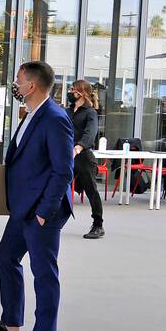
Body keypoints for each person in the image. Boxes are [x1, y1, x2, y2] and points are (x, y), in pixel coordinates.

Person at [0, 61, 75, 331]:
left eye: (18, 80)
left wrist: (45, 210)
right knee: (6, 256)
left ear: (31, 85)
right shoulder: (32, 114)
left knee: (44, 273)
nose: (15, 85)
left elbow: (63, 170)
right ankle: (12, 324)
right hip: (23, 207)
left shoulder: (55, 118)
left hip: (43, 210)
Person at [69, 79, 104, 240]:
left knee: (91, 191)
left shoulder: (90, 112)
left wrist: (78, 148)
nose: (70, 92)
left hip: (83, 156)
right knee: (58, 186)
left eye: (72, 89)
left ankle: (98, 224)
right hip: (67, 155)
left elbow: (90, 134)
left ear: (81, 92)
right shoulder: (67, 111)